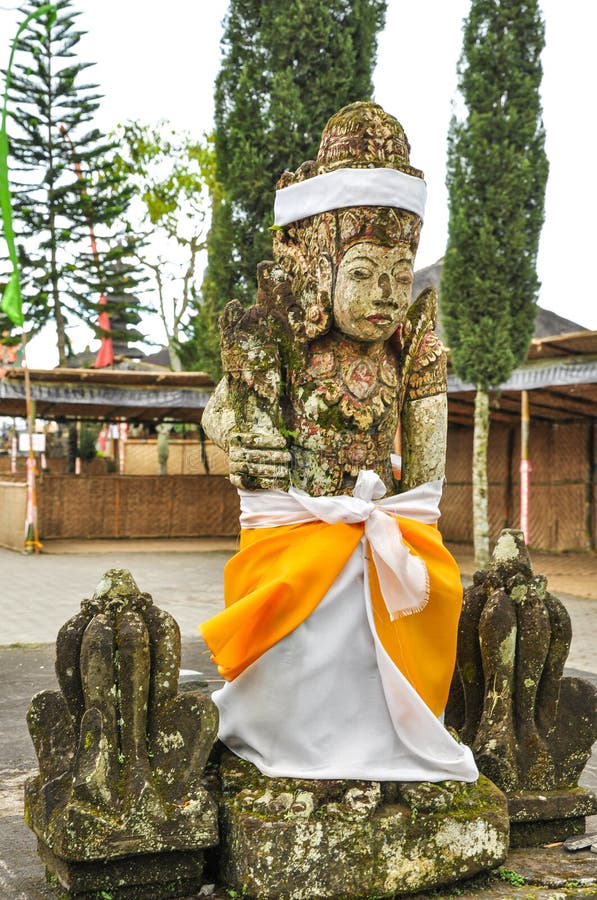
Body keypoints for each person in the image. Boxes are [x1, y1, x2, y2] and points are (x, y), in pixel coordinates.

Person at [200, 102, 478, 785]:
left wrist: (427, 394)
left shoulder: (406, 355)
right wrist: (239, 437)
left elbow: (424, 481)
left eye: (399, 270)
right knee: (302, 651)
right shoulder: (282, 343)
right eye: (361, 272)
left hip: (377, 529)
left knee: (386, 639)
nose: (385, 293)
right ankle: (289, 744)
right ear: (319, 264)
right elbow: (218, 412)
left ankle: (387, 738)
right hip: (298, 529)